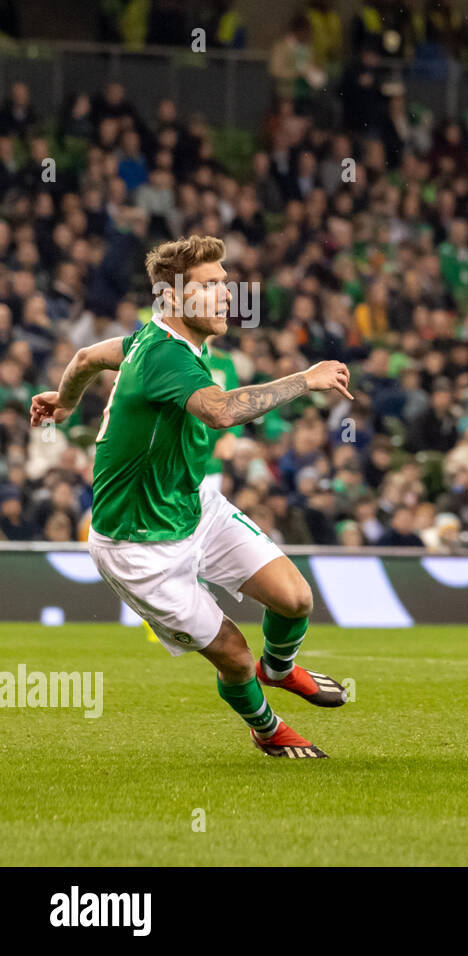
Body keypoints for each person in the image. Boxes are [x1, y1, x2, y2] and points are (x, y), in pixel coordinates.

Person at [29, 236, 353, 759]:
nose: (227, 295)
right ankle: (267, 729)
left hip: (192, 503)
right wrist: (305, 379)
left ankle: (281, 668)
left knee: (296, 600)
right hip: (138, 544)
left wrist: (65, 403)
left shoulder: (152, 340)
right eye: (211, 287)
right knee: (234, 658)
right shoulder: (164, 355)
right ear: (174, 301)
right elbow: (220, 412)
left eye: (225, 284)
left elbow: (89, 356)